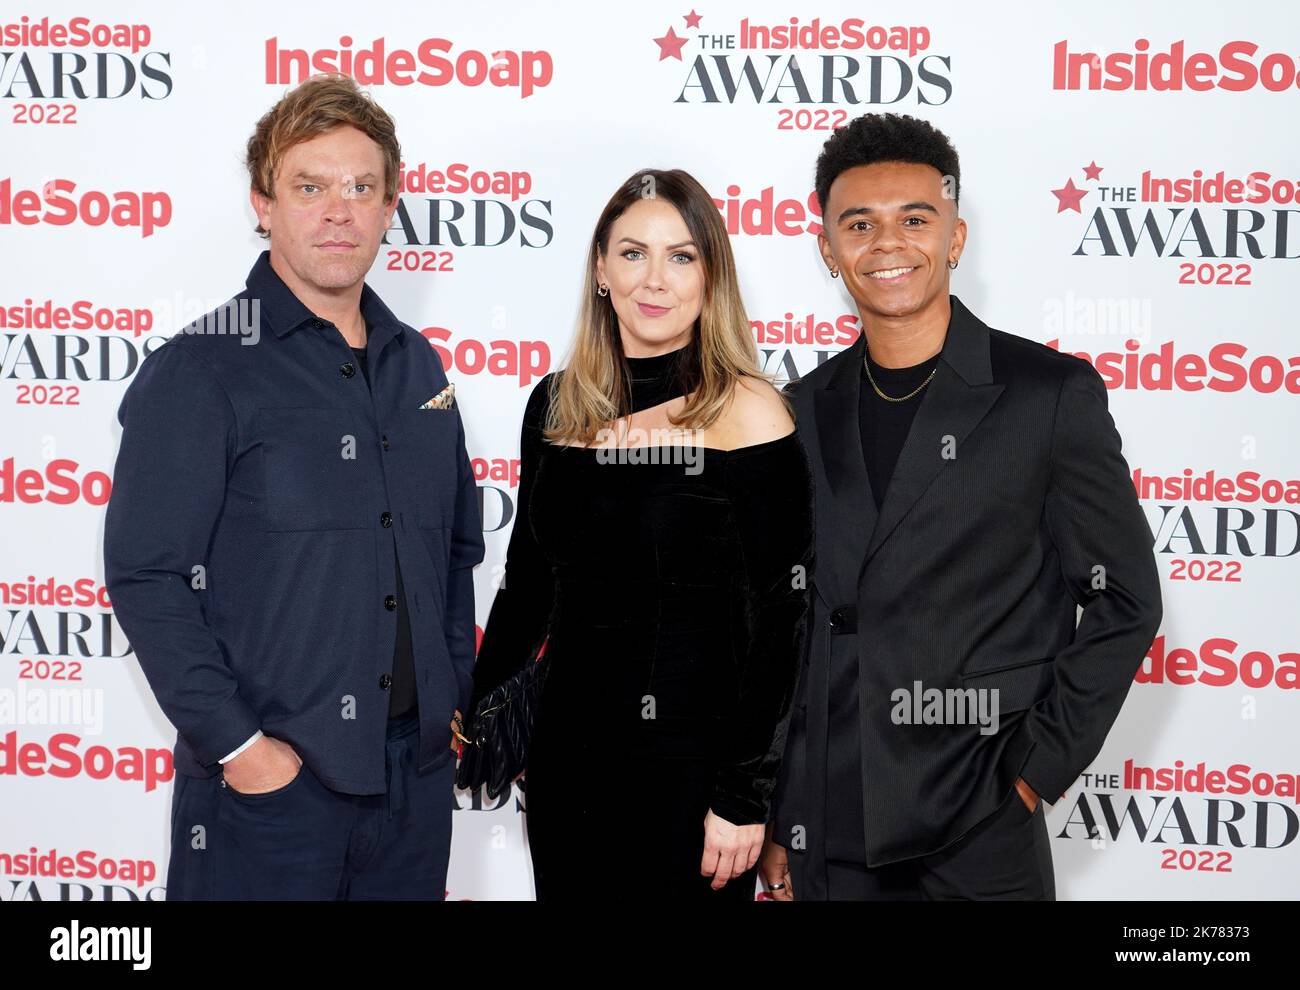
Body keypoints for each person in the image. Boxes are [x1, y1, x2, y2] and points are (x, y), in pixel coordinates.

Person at [761, 112, 1162, 900]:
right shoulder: (797, 411)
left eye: (916, 218)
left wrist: (1031, 773)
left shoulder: (1047, 396)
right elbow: (788, 627)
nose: (887, 243)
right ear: (828, 250)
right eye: (859, 223)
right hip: (829, 825)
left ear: (955, 238)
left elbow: (1125, 599)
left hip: (977, 826)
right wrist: (781, 809)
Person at [103, 73, 483, 900]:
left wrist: (446, 709)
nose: (338, 210)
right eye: (309, 187)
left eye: (360, 187)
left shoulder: (418, 363)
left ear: (391, 207)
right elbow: (147, 575)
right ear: (263, 204)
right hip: (272, 802)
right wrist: (243, 751)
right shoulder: (201, 369)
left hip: (413, 792)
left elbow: (455, 550)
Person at [462, 168, 814, 901]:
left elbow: (785, 618)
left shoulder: (751, 410)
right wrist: (480, 713)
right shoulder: (556, 404)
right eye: (632, 252)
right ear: (599, 267)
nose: (655, 279)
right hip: (568, 764)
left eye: (682, 256)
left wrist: (746, 796)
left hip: (692, 777)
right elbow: (530, 582)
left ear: (710, 275)